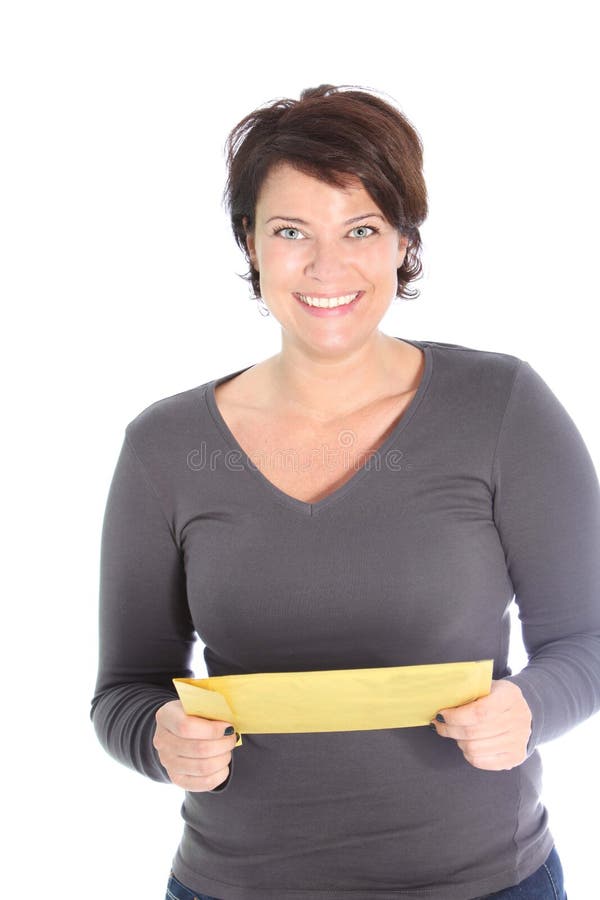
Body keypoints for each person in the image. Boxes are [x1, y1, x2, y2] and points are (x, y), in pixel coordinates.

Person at [90, 84, 599, 900]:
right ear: (250, 243)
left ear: (403, 240)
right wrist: (158, 740)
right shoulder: (167, 447)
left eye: (361, 229)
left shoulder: (502, 408)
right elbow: (124, 689)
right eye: (292, 231)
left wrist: (530, 707)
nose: (327, 268)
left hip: (485, 885)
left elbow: (587, 640)